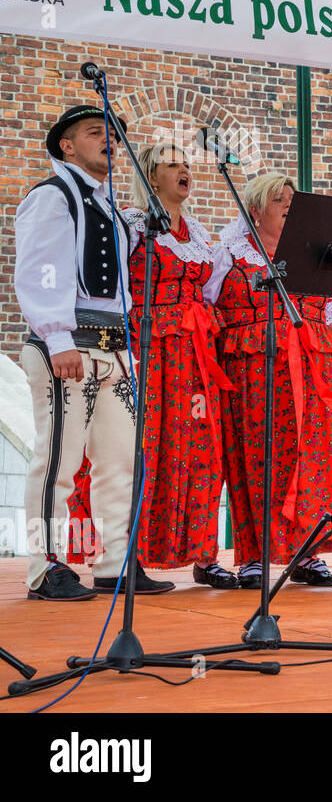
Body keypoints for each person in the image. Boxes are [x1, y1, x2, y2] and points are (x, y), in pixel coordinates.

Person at [16, 105, 174, 600]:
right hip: (68, 346)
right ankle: (45, 566)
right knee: (57, 461)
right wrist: (58, 338)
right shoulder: (52, 196)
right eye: (93, 132)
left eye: (112, 134)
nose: (107, 140)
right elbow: (42, 271)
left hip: (114, 346)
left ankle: (114, 563)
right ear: (66, 144)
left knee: (121, 461)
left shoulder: (106, 206)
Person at [214, 172, 332, 589]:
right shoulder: (228, 254)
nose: (288, 205)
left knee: (314, 461)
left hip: (314, 368)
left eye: (292, 200)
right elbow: (207, 307)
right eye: (278, 200)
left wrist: (315, 340)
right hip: (255, 368)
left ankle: (308, 552)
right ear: (254, 210)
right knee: (258, 458)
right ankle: (253, 554)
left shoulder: (315, 255)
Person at [122, 141, 237, 588]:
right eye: (173, 164)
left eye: (187, 163)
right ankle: (131, 556)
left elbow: (210, 293)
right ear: (152, 177)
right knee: (149, 449)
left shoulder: (200, 233)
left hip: (195, 353)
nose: (184, 170)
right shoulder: (132, 225)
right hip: (151, 349)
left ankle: (203, 556)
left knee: (201, 450)